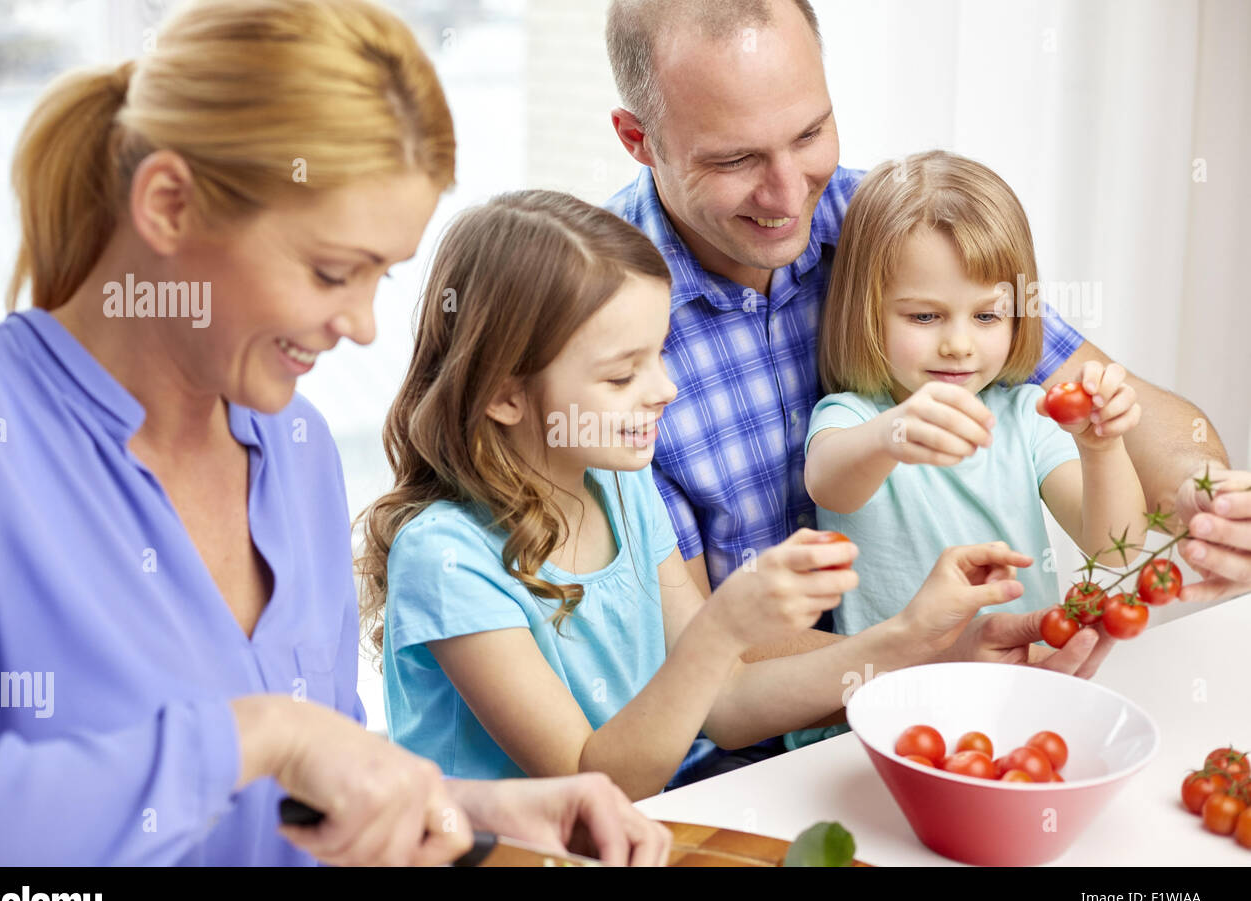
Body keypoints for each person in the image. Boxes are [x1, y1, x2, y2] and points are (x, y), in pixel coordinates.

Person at [0, 0, 669, 867]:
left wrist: (475, 810)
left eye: (382, 276)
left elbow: (302, 805)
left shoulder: (295, 449)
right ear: (169, 205)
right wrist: (261, 733)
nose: (364, 326)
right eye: (333, 271)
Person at [602, 0, 1251, 778]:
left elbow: (1130, 417)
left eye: (809, 134)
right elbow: (704, 648)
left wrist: (1202, 497)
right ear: (638, 139)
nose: (786, 195)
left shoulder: (892, 223)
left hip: (991, 707)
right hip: (753, 761)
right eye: (734, 160)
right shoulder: (601, 325)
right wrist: (934, 667)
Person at [363, 188, 1086, 802]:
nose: (664, 390)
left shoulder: (621, 487)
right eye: (622, 376)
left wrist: (924, 644)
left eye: (659, 356)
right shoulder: (447, 558)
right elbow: (597, 784)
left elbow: (729, 707)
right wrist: (724, 627)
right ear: (504, 396)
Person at [787, 151, 1148, 749]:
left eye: (987, 316)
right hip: (891, 714)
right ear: (866, 313)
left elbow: (1117, 547)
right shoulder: (855, 416)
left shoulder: (1027, 417)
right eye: (925, 315)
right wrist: (894, 434)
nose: (958, 344)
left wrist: (1102, 449)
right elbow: (830, 482)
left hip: (1012, 704)